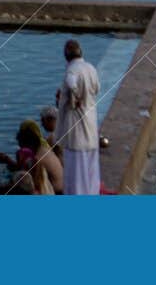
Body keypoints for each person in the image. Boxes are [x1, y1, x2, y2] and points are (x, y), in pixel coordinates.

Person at [54, 38, 102, 195]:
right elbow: (97, 88)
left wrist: (75, 96)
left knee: (76, 171)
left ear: (66, 55)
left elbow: (71, 82)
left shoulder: (72, 70)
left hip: (76, 130)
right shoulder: (90, 68)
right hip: (91, 123)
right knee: (91, 169)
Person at [0, 119, 63, 195]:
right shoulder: (43, 149)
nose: (21, 148)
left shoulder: (37, 158)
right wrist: (7, 160)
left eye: (21, 145)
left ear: (30, 144)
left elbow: (24, 179)